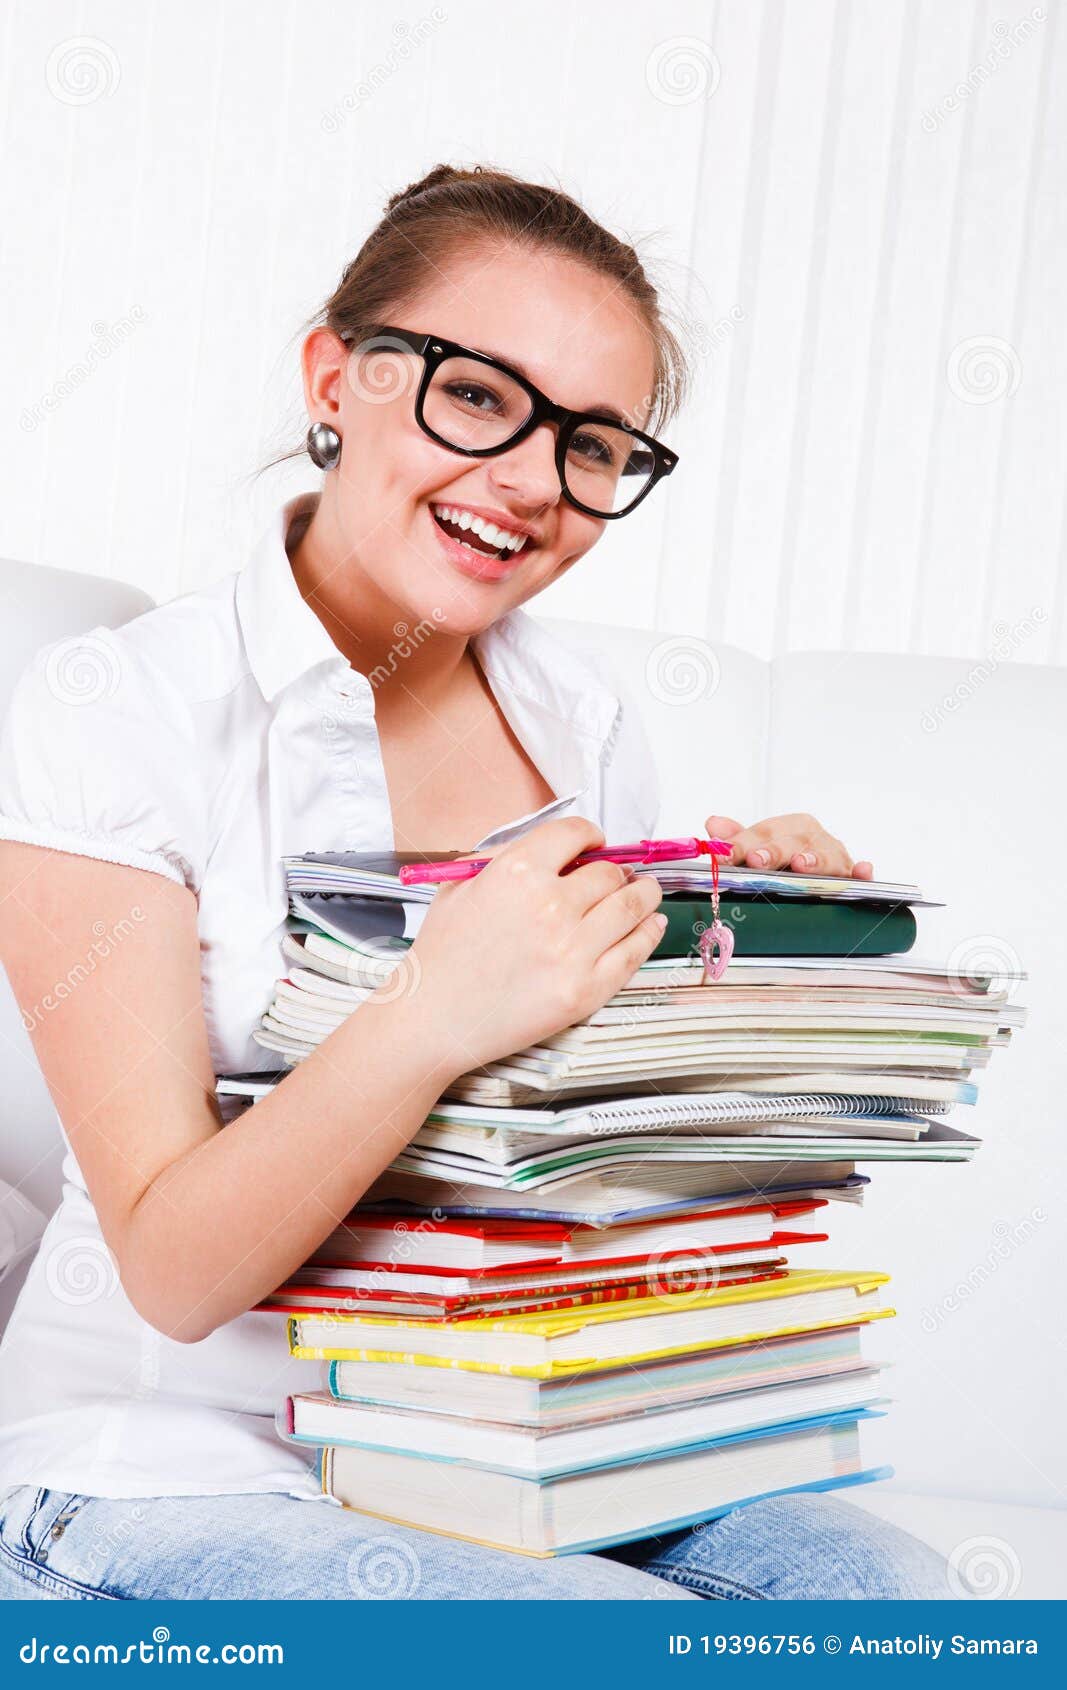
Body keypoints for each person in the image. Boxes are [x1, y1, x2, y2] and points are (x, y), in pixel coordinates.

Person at [0, 163, 945, 1601]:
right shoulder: (105, 714)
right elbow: (176, 1273)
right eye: (479, 395)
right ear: (337, 378)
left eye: (591, 442)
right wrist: (435, 1007)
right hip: (163, 1465)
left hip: (506, 1439)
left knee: (892, 1603)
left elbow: (588, 1168)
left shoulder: (584, 721)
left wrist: (744, 942)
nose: (528, 484)